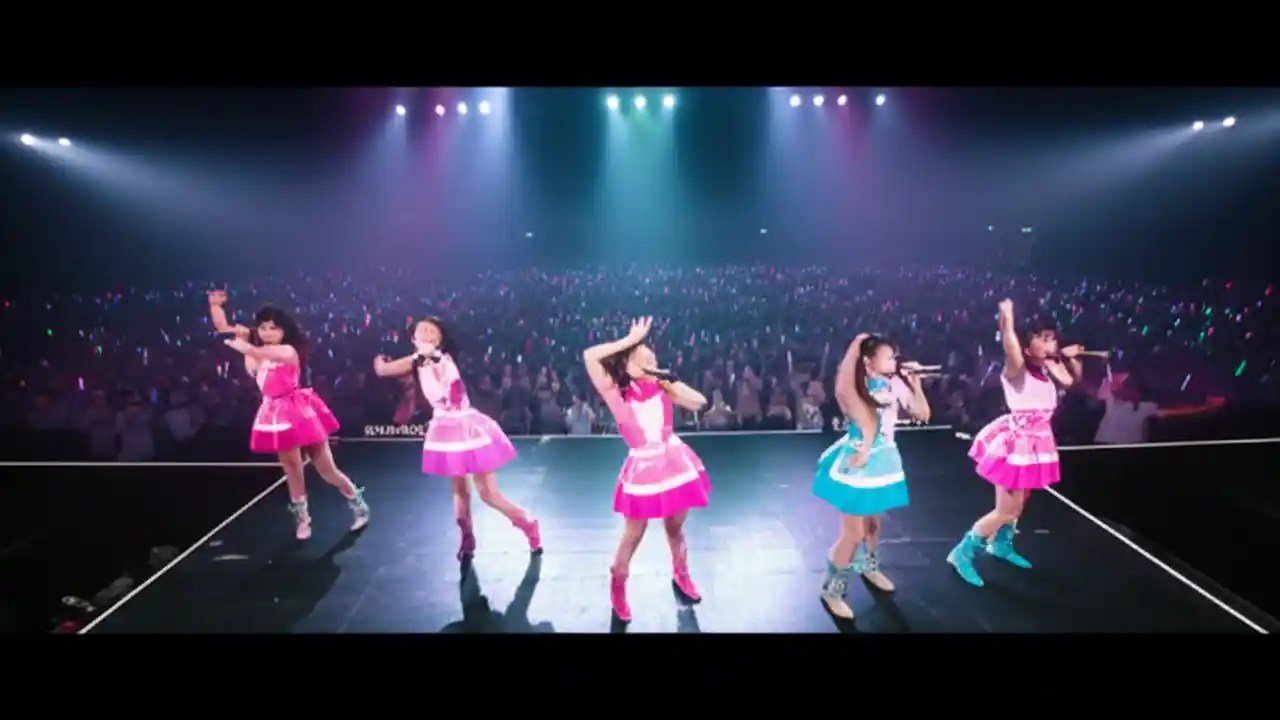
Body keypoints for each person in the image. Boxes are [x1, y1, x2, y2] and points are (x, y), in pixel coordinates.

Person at [373, 316, 540, 561]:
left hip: (467, 428)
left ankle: (527, 522)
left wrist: (381, 362)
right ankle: (467, 537)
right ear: (414, 338)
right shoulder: (421, 361)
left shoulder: (433, 357)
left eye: (433, 331)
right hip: (445, 430)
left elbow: (385, 369)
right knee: (460, 494)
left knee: (488, 494)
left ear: (440, 340)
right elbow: (387, 372)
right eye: (422, 330)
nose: (428, 333)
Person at [208, 290, 369, 541]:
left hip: (298, 410)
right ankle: (303, 518)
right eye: (263, 327)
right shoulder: (256, 349)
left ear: (284, 330)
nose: (267, 332)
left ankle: (357, 502)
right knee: (292, 468)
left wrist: (245, 344)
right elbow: (223, 328)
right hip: (273, 412)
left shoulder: (287, 351)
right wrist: (216, 306)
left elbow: (260, 353)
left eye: (273, 328)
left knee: (326, 469)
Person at [946, 299, 1084, 587]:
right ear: (1026, 347)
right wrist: (1007, 317)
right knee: (1006, 509)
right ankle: (962, 553)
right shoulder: (1016, 369)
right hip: (1016, 444)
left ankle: (1002, 545)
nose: (1050, 343)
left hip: (1037, 443)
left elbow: (1073, 383)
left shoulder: (1048, 368)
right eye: (1042, 339)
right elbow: (1009, 343)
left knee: (1020, 504)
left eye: (1052, 338)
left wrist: (1071, 359)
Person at [583, 317, 711, 624]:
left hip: (675, 460)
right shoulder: (616, 392)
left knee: (675, 528)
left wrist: (670, 383)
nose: (650, 359)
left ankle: (681, 574)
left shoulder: (663, 387)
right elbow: (590, 356)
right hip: (643, 465)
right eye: (642, 356)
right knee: (633, 533)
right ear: (627, 364)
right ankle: (618, 587)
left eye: (652, 355)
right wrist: (630, 340)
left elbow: (700, 403)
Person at [814, 334, 930, 620]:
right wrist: (855, 344)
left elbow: (923, 414)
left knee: (874, 525)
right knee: (853, 533)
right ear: (868, 362)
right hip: (857, 461)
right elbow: (842, 387)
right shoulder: (856, 386)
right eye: (889, 356)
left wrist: (916, 385)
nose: (895, 361)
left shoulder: (896, 384)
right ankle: (832, 590)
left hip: (884, 461)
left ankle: (868, 566)